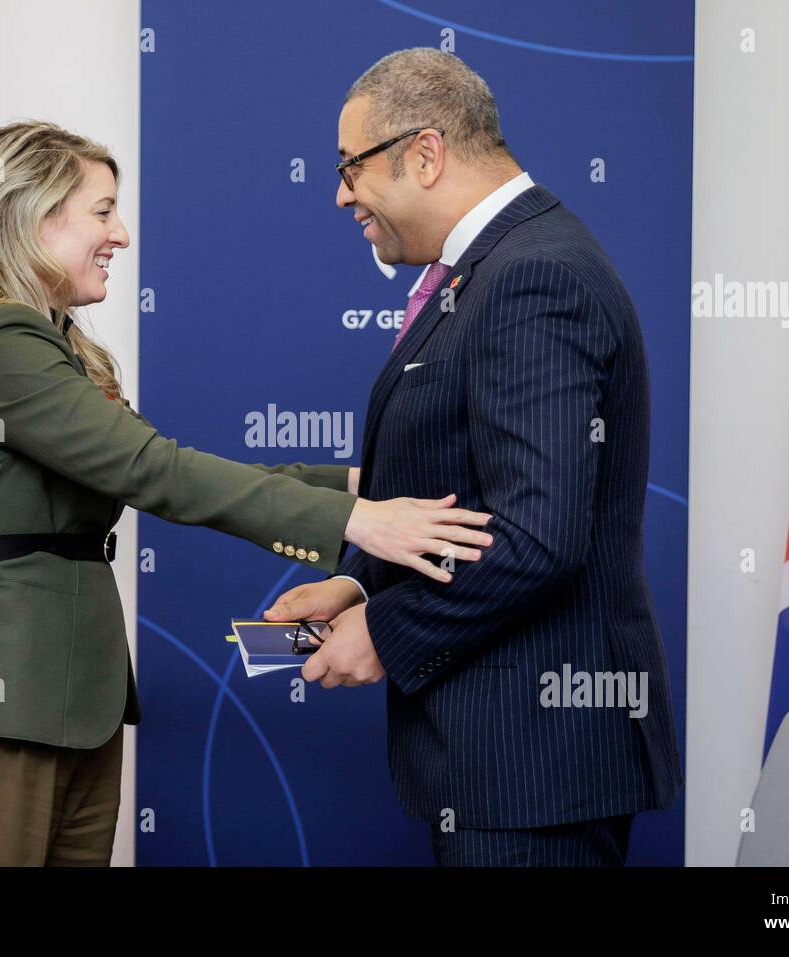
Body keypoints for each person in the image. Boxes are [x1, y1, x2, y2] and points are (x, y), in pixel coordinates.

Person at [0, 119, 493, 866]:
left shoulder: (55, 347)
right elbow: (157, 472)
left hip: (73, 712)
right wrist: (358, 519)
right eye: (102, 211)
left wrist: (371, 486)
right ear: (30, 217)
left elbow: (165, 464)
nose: (123, 234)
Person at [265, 49, 683, 866]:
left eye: (351, 166)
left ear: (425, 154)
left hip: (535, 768)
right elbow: (461, 495)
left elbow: (537, 536)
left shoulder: (532, 278)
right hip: (500, 763)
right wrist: (358, 580)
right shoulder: (492, 268)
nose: (340, 192)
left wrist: (383, 632)